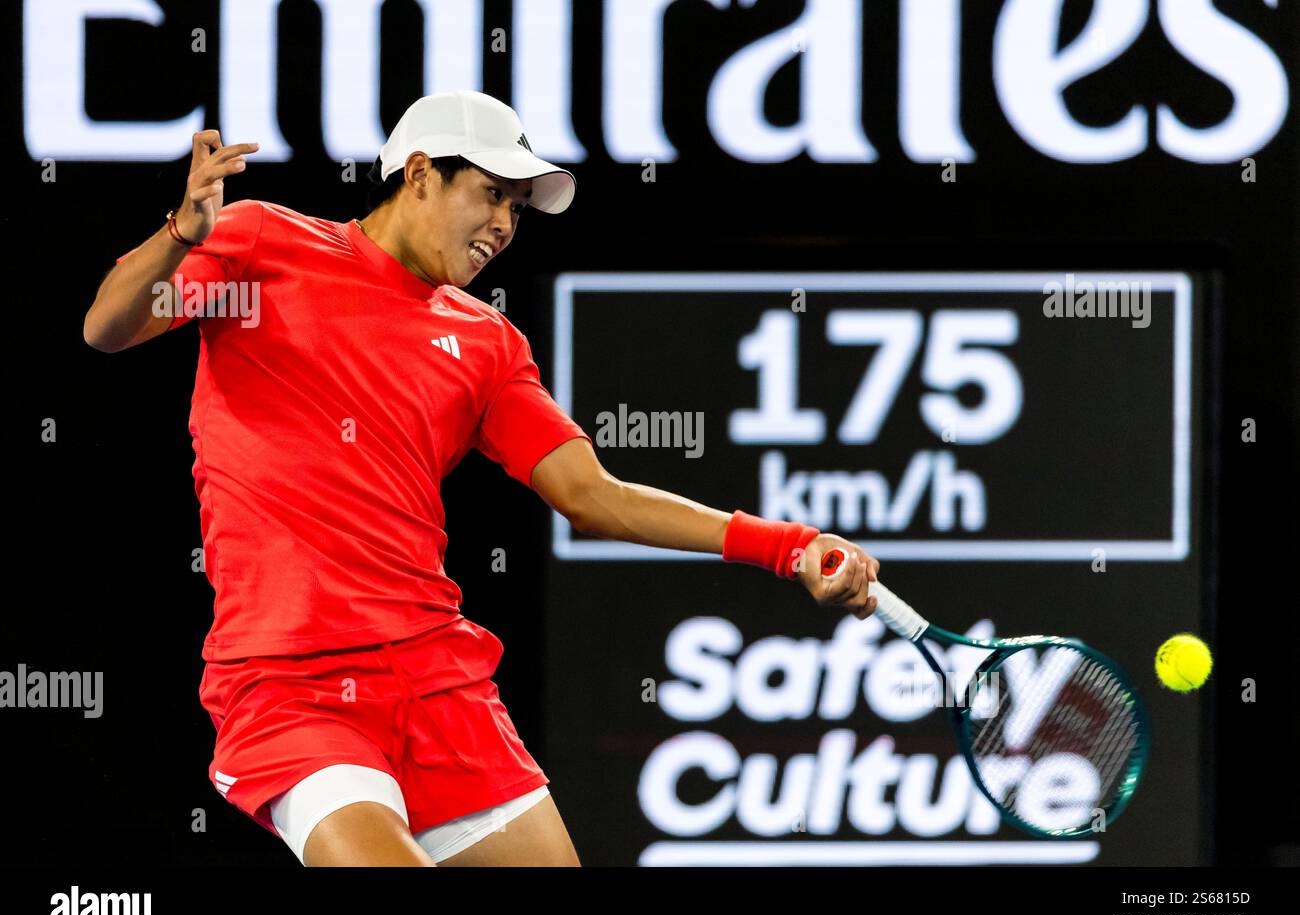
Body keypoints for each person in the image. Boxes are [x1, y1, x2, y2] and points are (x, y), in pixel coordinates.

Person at [82, 90, 880, 867]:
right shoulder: (260, 243)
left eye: (519, 209)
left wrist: (790, 545)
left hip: (437, 682)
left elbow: (592, 497)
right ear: (420, 172)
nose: (504, 225)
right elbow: (108, 329)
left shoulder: (490, 343)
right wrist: (179, 235)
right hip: (293, 684)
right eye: (493, 193)